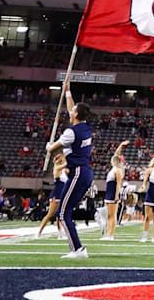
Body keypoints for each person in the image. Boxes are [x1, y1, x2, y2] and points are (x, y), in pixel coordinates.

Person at [44, 85, 94, 259]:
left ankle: (78, 250)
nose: (69, 111)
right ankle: (77, 248)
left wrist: (49, 146)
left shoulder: (70, 132)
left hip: (78, 172)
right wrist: (67, 91)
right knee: (65, 212)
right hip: (83, 172)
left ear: (76, 115)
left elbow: (53, 148)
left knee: (63, 213)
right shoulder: (85, 127)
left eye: (72, 111)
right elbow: (72, 108)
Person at [35, 153, 70, 240]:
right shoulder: (57, 168)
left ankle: (60, 234)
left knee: (59, 215)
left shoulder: (64, 170)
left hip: (62, 193)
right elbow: (66, 164)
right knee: (50, 214)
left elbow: (69, 170)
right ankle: (39, 232)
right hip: (56, 193)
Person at [100, 140, 130, 240]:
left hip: (113, 193)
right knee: (108, 215)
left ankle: (111, 235)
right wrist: (121, 145)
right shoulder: (114, 168)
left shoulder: (118, 170)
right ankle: (108, 234)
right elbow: (116, 154)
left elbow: (118, 184)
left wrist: (116, 196)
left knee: (112, 215)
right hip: (109, 193)